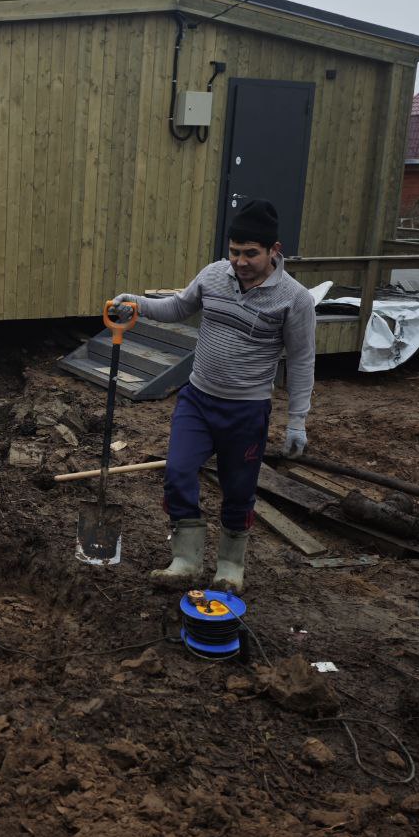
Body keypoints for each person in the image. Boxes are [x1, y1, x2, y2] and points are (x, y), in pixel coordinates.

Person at [113, 198, 316, 591]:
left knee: (238, 490)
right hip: (199, 400)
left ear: (274, 251)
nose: (239, 261)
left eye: (250, 254)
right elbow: (177, 307)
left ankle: (229, 566)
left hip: (246, 410)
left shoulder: (295, 299)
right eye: (234, 251)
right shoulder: (213, 275)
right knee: (178, 472)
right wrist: (137, 304)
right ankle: (186, 559)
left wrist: (297, 421)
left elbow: (303, 361)